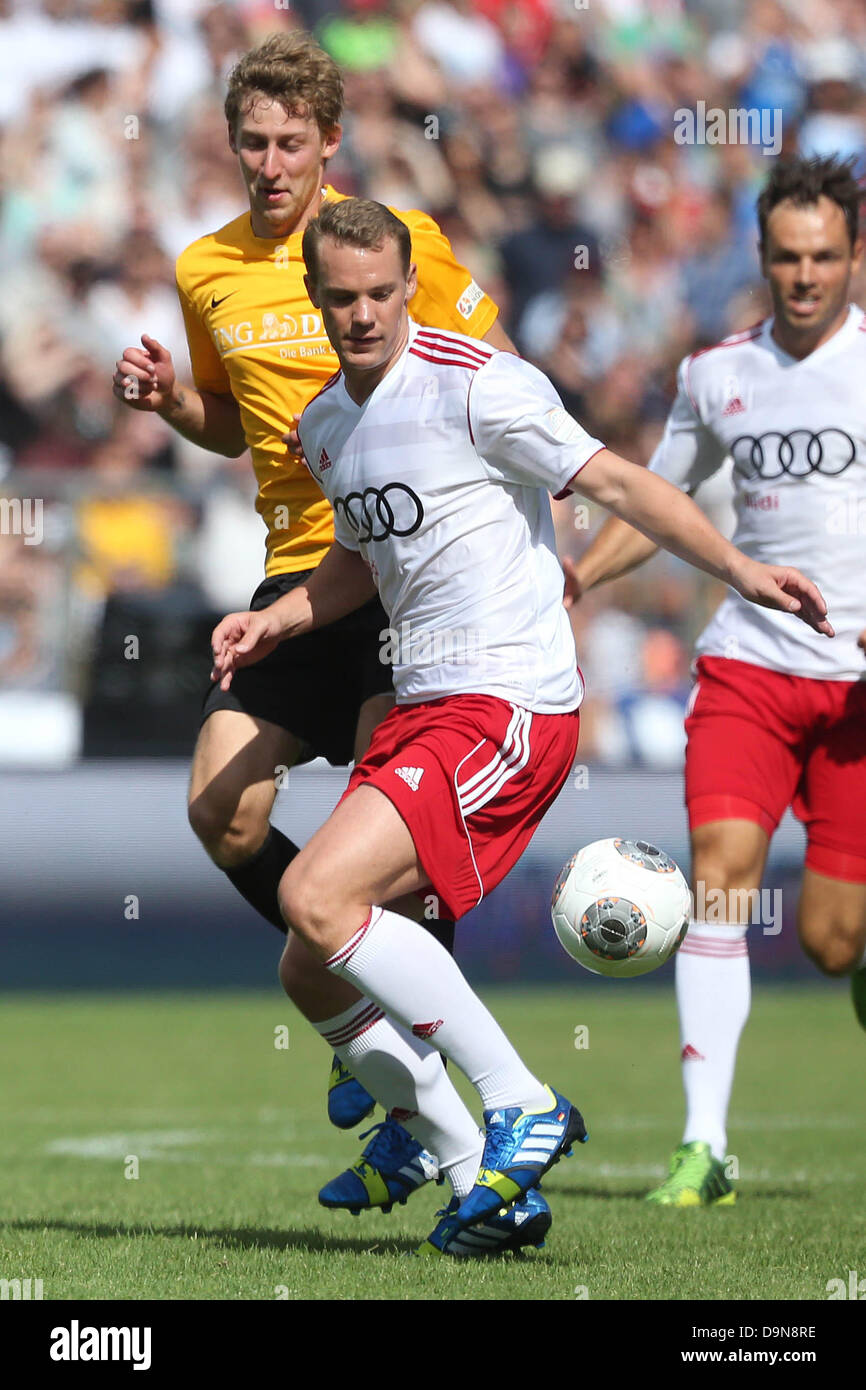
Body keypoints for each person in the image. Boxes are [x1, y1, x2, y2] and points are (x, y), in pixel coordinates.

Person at [210, 196, 831, 1253]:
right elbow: (362, 558)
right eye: (340, 298)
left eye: (378, 294)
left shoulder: (479, 386)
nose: (361, 315)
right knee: (310, 964)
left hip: (507, 699)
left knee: (315, 895)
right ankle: (474, 1182)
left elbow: (620, 482)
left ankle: (520, 1102)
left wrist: (738, 568)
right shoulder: (326, 423)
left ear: (410, 286)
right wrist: (277, 618)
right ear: (313, 297)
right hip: (423, 702)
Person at [112, 31, 516, 1210]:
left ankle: (431, 1112)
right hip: (298, 572)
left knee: (382, 868)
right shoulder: (205, 270)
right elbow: (230, 427)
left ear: (329, 143)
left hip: (400, 576)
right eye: (253, 140)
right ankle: (379, 1050)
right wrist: (171, 398)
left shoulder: (397, 247)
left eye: (293, 140)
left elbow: (488, 381)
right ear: (230, 143)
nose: (272, 159)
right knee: (222, 808)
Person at [565, 154, 866, 1207]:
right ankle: (703, 1147)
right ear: (759, 257)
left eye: (822, 257)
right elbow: (658, 504)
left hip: (857, 700)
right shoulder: (713, 374)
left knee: (832, 943)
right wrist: (573, 581)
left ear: (852, 256)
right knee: (720, 875)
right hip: (750, 667)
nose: (802, 276)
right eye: (785, 257)